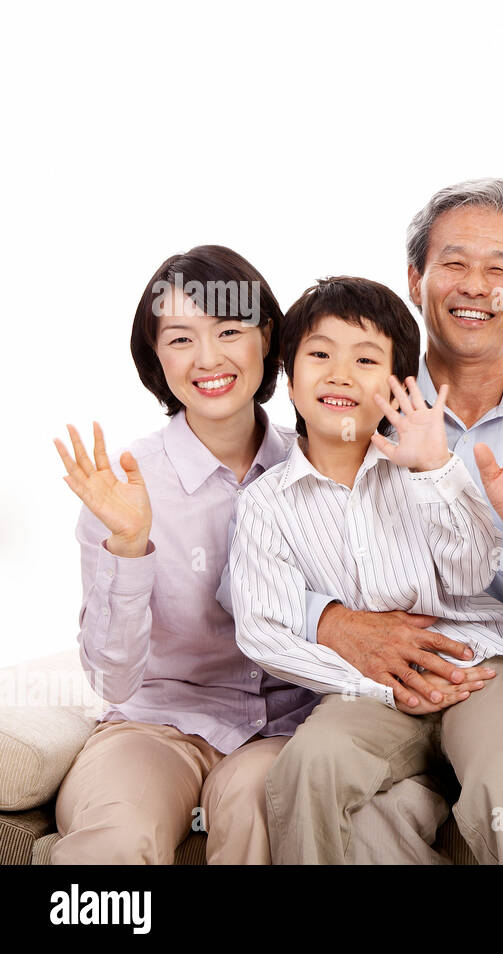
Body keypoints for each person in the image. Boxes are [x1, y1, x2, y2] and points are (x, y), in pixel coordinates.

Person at [230, 276, 503, 864]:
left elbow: (472, 574)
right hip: (365, 690)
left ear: (399, 386)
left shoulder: (425, 469)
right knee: (306, 768)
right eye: (320, 355)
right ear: (289, 379)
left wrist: (436, 471)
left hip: (474, 669)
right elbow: (263, 628)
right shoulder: (266, 503)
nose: (340, 374)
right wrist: (381, 686)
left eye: (365, 359)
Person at [51, 245, 317, 864]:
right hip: (155, 722)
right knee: (117, 838)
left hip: (283, 728)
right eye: (179, 338)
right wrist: (129, 545)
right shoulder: (123, 484)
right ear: (154, 358)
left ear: (269, 338)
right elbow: (113, 678)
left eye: (229, 330)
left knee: (260, 811)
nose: (207, 359)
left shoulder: (318, 467)